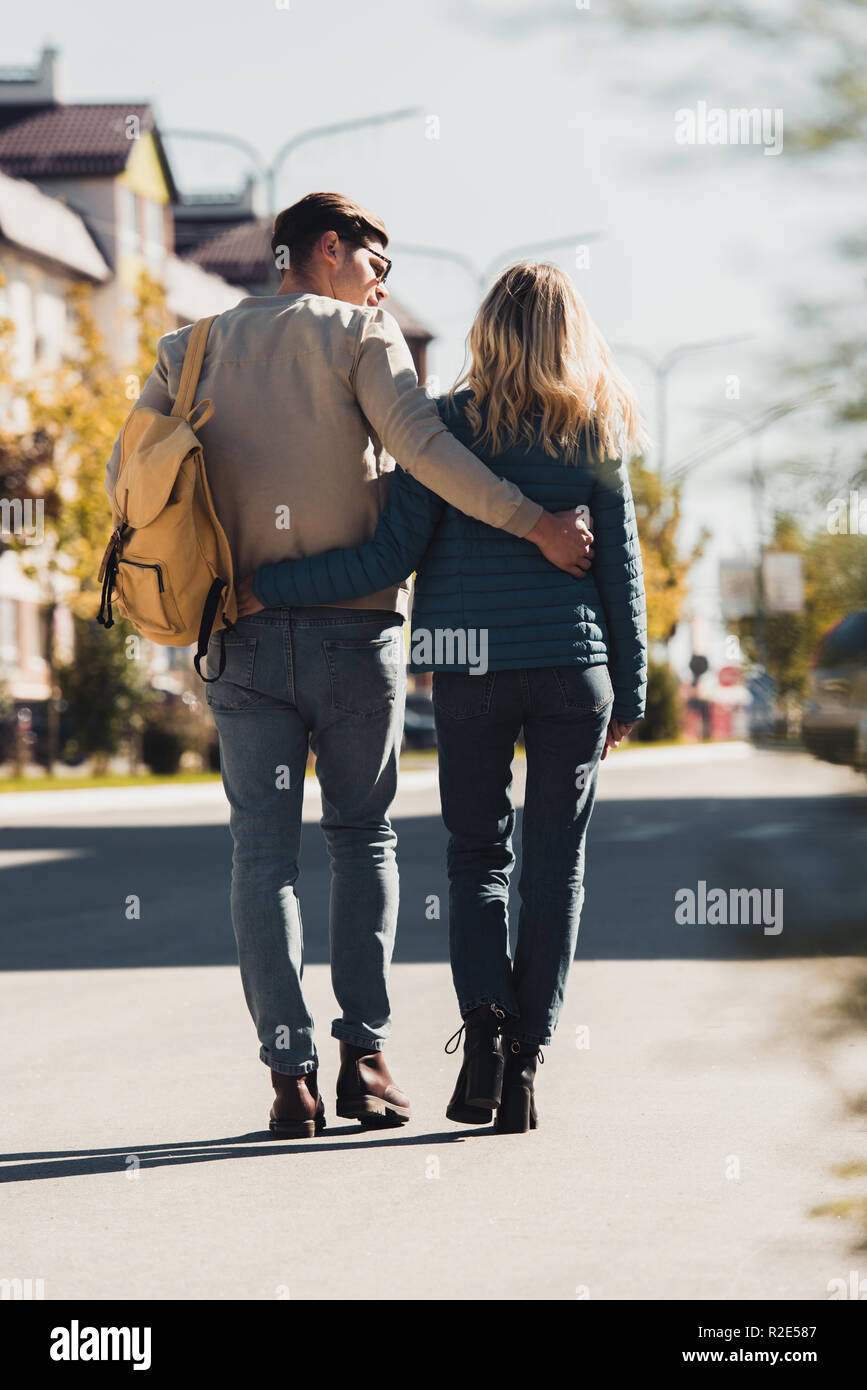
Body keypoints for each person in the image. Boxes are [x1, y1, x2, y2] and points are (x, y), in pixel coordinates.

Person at [104, 195, 594, 1139]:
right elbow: (426, 452)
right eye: (378, 261)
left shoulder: (187, 349)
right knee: (362, 841)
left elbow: (135, 484)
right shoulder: (362, 339)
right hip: (351, 635)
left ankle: (289, 1076)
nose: (382, 281)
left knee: (261, 857)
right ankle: (364, 1060)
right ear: (327, 250)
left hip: (235, 634)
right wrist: (532, 523)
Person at [240, 261, 648, 1133]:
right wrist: (631, 691)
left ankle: (487, 1043)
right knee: (555, 868)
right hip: (574, 671)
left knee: (476, 861)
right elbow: (620, 571)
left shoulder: (443, 428)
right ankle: (526, 1063)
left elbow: (382, 561)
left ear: (486, 331)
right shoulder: (594, 430)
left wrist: (271, 583)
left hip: (467, 674)